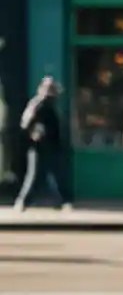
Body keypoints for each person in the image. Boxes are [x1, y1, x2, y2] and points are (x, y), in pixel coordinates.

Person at [13, 76, 72, 212]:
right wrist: (34, 134)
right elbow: (26, 123)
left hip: (49, 145)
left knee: (55, 174)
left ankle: (62, 200)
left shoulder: (48, 105)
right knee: (36, 175)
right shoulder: (38, 104)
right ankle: (22, 201)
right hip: (40, 146)